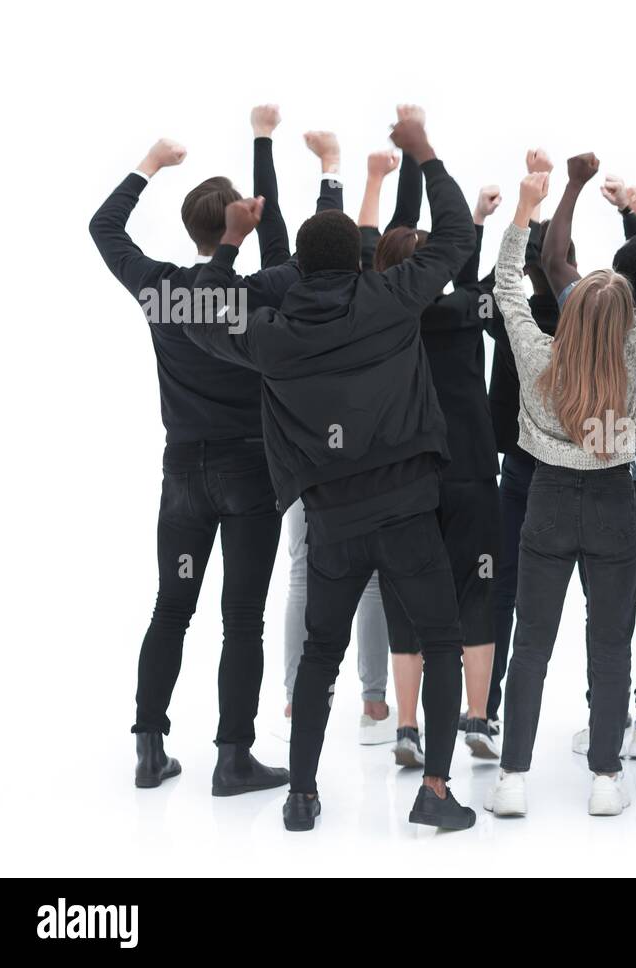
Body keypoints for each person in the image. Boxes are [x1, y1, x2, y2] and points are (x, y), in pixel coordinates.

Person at [182, 114, 479, 834]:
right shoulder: (389, 298)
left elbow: (194, 312)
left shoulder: (273, 338)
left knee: (320, 654)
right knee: (441, 643)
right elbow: (456, 238)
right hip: (408, 512)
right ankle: (435, 791)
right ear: (358, 262)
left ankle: (302, 794)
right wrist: (426, 155)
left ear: (298, 271)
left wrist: (229, 243)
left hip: (332, 521)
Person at [88, 104, 340, 795]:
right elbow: (297, 253)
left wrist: (150, 163)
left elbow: (103, 228)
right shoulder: (261, 294)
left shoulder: (163, 292)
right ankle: (232, 758)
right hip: (249, 475)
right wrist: (293, 159)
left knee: (172, 607)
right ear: (239, 226)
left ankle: (149, 745)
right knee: (241, 623)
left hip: (183, 479)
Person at [485, 164, 636, 819]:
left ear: (571, 313)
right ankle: (606, 778)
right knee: (610, 644)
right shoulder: (631, 354)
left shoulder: (537, 356)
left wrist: (522, 210)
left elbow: (508, 290)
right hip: (612, 506)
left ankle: (511, 777)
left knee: (532, 646)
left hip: (545, 503)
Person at [545, 153, 636, 763]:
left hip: (605, 483)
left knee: (606, 608)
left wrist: (575, 186)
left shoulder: (592, 321)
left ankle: (601, 714)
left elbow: (555, 263)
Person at [366, 127, 506, 762]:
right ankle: (477, 718)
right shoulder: (465, 309)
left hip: (402, 476)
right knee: (476, 590)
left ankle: (406, 727)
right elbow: (473, 279)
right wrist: (495, 216)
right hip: (471, 469)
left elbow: (455, 271)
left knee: (403, 596)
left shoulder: (373, 318)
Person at [278, 131, 399, 756]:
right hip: (365, 463)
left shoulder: (284, 306)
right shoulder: (372, 302)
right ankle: (374, 700)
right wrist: (365, 176)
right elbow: (366, 246)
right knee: (373, 579)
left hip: (306, 463)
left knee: (303, 571)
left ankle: (301, 693)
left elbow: (324, 245)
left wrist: (337, 171)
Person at [485, 149, 561, 734]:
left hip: (518, 462)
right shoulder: (574, 313)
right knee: (602, 602)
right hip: (573, 469)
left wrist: (522, 211)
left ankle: (485, 707)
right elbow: (556, 267)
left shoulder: (510, 315)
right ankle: (626, 716)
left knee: (505, 582)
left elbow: (496, 283)